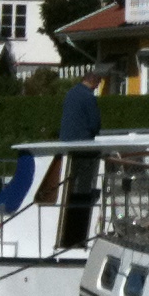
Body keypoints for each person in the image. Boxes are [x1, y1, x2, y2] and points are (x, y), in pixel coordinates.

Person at [58, 65, 111, 249]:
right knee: (84, 185)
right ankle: (84, 206)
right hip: (84, 146)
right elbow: (95, 124)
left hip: (66, 145)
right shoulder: (88, 98)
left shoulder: (71, 93)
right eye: (98, 83)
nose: (97, 87)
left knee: (69, 182)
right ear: (94, 81)